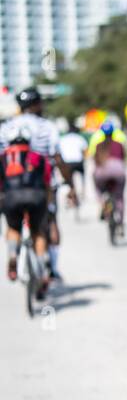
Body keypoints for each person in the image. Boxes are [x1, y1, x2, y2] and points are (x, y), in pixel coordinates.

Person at [1, 87, 73, 291]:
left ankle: (14, 255)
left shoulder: (6, 128)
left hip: (11, 186)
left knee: (13, 226)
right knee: (44, 227)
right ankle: (48, 268)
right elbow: (57, 158)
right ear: (37, 104)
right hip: (42, 186)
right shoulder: (46, 127)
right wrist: (71, 185)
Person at [87, 119, 127, 230]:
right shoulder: (119, 144)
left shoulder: (99, 145)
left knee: (98, 188)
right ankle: (121, 222)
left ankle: (103, 203)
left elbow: (95, 161)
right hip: (118, 171)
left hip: (102, 172)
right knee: (119, 197)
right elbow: (123, 158)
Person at [58, 125, 88, 206]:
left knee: (67, 179)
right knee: (82, 176)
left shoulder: (62, 139)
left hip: (66, 163)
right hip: (78, 162)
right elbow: (85, 152)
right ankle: (81, 190)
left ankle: (70, 191)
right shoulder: (80, 138)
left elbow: (58, 153)